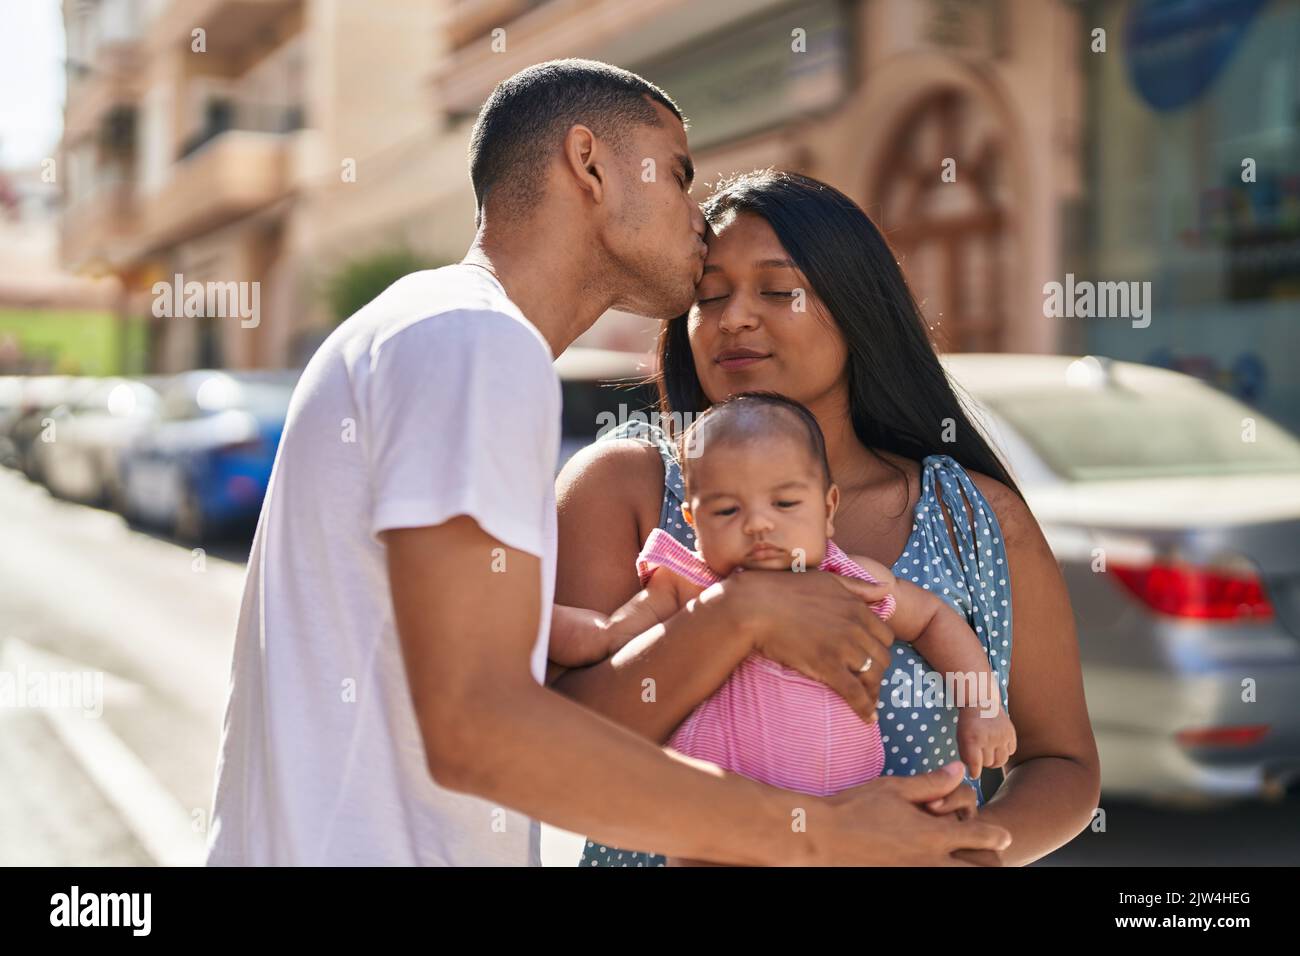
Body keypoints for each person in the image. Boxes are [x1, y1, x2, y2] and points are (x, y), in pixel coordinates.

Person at [205, 61, 1009, 866]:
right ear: (588, 163)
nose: (700, 218)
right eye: (680, 174)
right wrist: (821, 835)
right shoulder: (474, 341)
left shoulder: (430, 328)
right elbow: (478, 730)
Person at [551, 169, 1099, 867]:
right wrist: (740, 611)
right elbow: (561, 748)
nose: (734, 317)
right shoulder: (623, 487)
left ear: (857, 307)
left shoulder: (971, 515)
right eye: (709, 295)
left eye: (778, 291)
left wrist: (967, 851)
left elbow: (1063, 763)